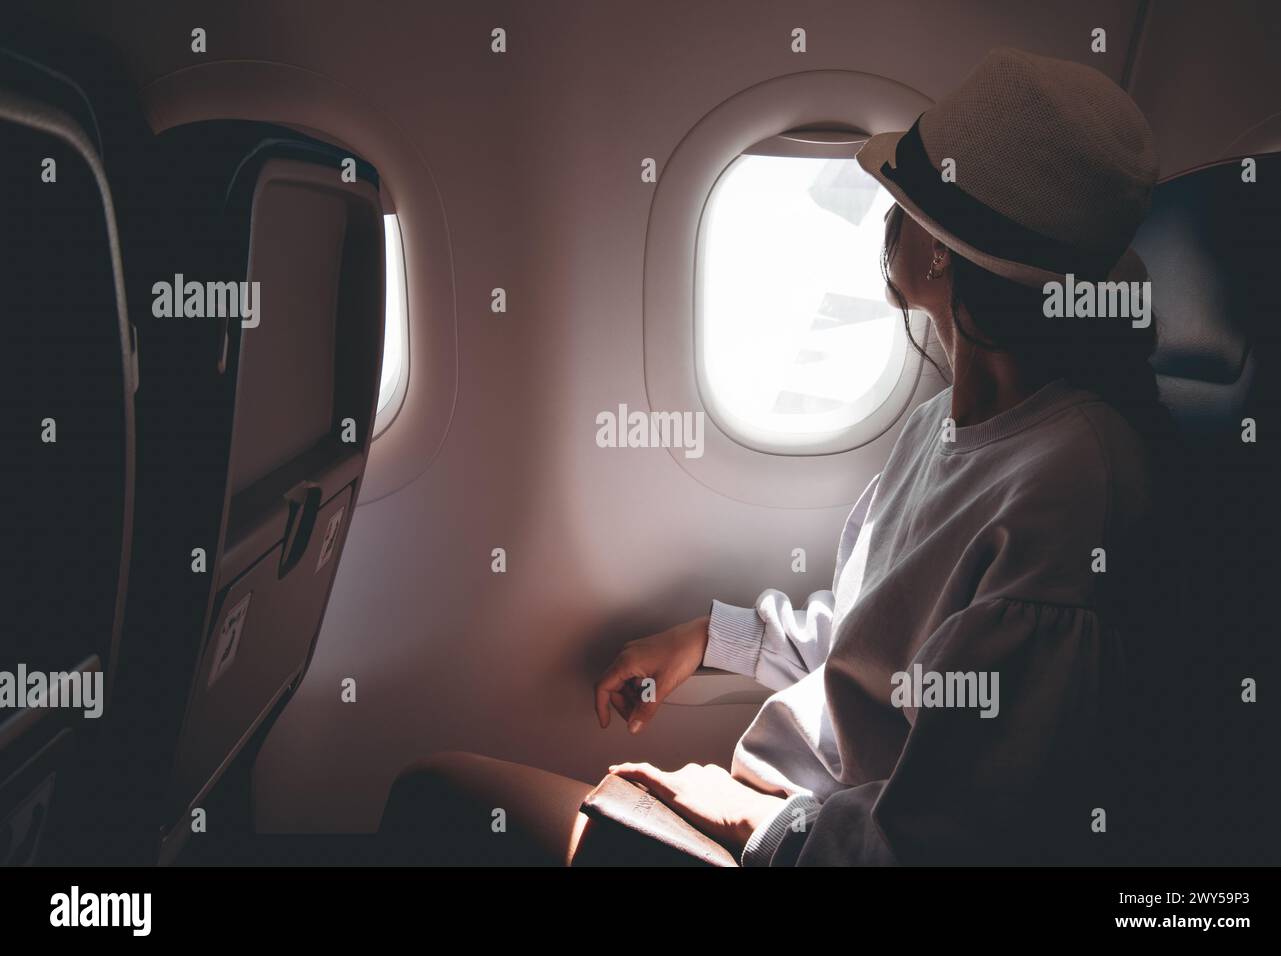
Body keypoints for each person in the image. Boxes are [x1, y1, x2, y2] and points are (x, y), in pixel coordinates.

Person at [381, 47, 1171, 866]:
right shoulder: (944, 423)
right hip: (785, 819)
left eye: (899, 201)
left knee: (433, 797)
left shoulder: (1072, 496)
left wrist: (749, 821)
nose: (883, 218)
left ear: (945, 251)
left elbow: (946, 845)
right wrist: (707, 639)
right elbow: (874, 636)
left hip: (797, 844)